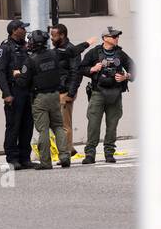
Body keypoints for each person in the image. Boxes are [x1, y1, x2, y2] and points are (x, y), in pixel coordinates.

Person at [72, 27, 134, 165]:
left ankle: (109, 153)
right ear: (105, 38)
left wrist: (125, 76)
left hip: (115, 94)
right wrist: (92, 69)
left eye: (117, 36)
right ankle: (90, 154)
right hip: (98, 93)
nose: (117, 38)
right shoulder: (94, 53)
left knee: (112, 125)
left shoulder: (120, 54)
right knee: (93, 124)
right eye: (114, 36)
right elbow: (81, 68)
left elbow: (133, 68)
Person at [25, 30, 72, 170]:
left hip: (40, 97)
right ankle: (65, 156)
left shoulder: (31, 60)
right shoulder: (54, 54)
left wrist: (17, 75)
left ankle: (46, 162)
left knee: (43, 130)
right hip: (55, 95)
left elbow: (24, 81)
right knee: (58, 126)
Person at [0, 20, 35, 171]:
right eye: (22, 28)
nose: (25, 30)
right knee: (14, 125)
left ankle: (25, 157)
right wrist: (6, 93)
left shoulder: (26, 47)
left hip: (27, 92)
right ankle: (12, 158)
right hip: (14, 91)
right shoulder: (5, 48)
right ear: (14, 30)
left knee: (27, 125)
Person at [50, 24, 91, 153]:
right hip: (56, 90)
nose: (51, 38)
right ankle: (69, 148)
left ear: (62, 35)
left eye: (54, 35)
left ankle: (66, 152)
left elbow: (76, 73)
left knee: (63, 124)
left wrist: (71, 93)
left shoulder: (71, 50)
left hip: (66, 91)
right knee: (54, 123)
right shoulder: (58, 50)